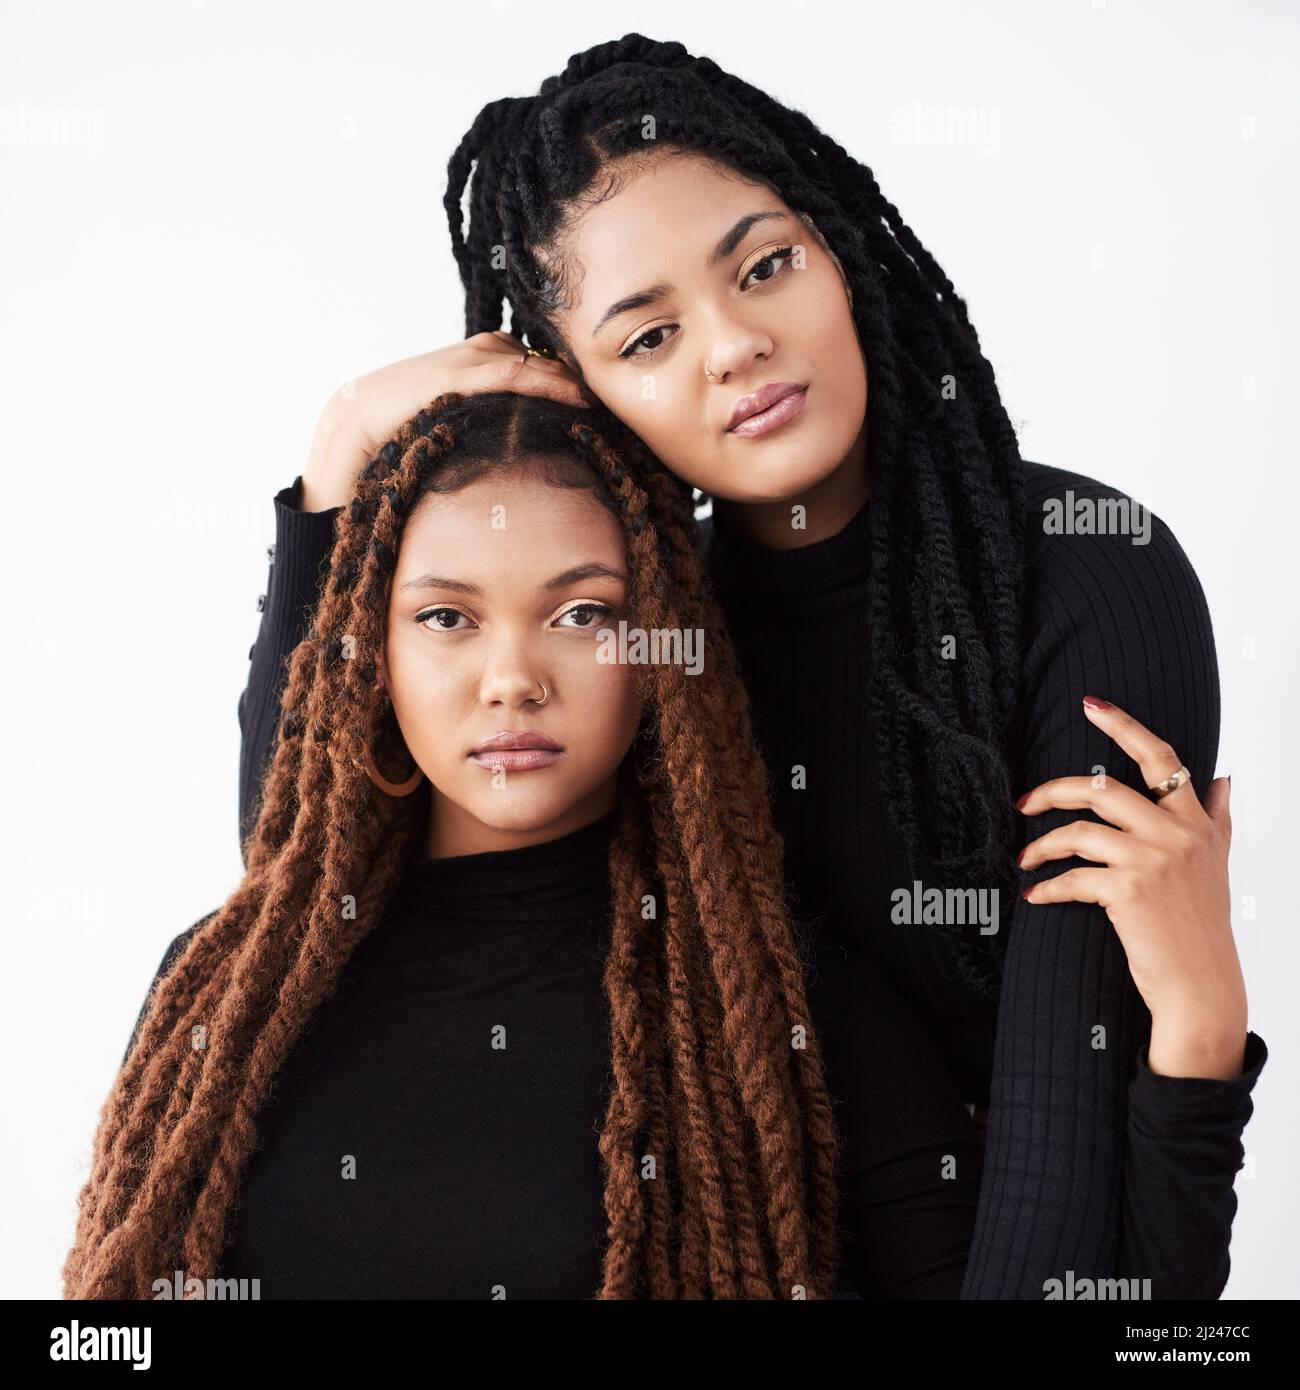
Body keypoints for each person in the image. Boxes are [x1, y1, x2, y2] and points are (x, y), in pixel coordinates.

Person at [232, 35, 1268, 1299]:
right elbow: (311, 891)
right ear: (587, 399)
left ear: (839, 250)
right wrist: (334, 473)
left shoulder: (1075, 580)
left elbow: (1064, 1205)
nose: (732, 347)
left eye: (765, 265)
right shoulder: (638, 636)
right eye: (649, 336)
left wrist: (1201, 1035)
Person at [63, 391, 986, 1300]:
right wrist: (344, 426)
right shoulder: (226, 979)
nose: (512, 681)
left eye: (582, 614)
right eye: (446, 617)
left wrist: (1144, 1055)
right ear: (371, 650)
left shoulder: (794, 1012)